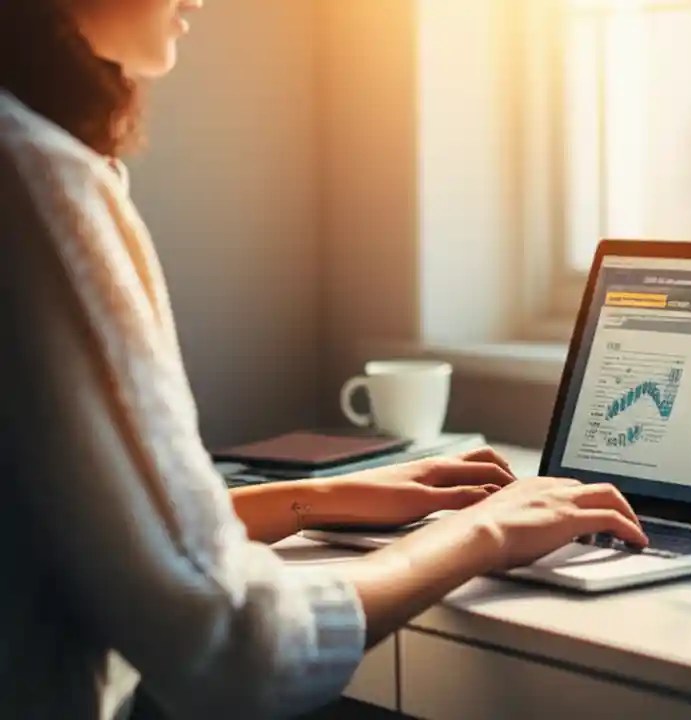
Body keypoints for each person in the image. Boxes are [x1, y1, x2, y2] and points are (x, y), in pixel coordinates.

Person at [0, 1, 648, 718]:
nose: (197, 1)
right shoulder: (30, 176)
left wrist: (318, 499)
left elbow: (63, 525)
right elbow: (236, 647)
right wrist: (484, 533)